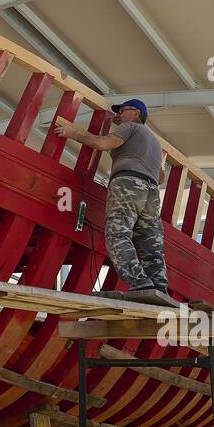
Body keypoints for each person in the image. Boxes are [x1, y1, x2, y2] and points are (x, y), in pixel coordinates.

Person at [54, 98, 174, 306]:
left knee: (118, 233)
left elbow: (102, 143)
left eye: (122, 112)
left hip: (128, 183)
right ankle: (158, 286)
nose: (118, 116)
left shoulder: (130, 127)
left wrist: (72, 132)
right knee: (150, 242)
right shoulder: (154, 142)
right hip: (152, 191)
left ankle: (140, 282)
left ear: (136, 113)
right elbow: (161, 176)